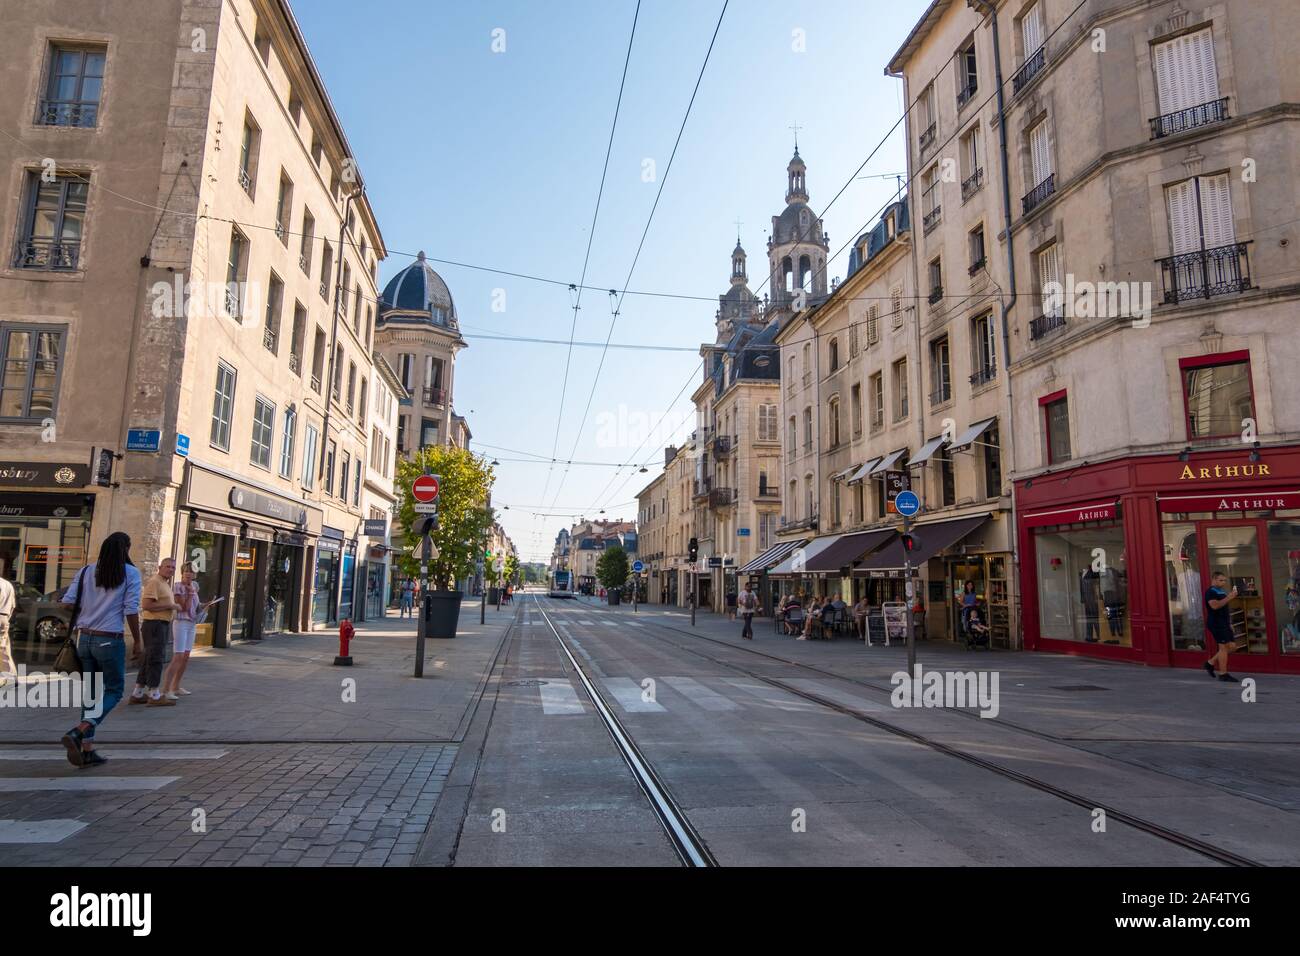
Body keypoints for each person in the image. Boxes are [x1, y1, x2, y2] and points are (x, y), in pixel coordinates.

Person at [60, 532, 143, 768]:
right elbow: (130, 609)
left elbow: (67, 602)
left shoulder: (86, 571)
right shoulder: (130, 573)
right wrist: (138, 640)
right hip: (109, 640)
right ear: (126, 549)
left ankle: (87, 750)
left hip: (84, 638)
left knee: (91, 694)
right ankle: (80, 730)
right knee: (115, 691)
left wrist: (88, 608)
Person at [162, 562, 215, 700]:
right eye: (186, 570)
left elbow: (195, 606)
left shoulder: (195, 586)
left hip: (192, 623)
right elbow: (184, 607)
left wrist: (206, 605)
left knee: (185, 657)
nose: (188, 573)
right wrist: (190, 593)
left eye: (191, 571)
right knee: (177, 657)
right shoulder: (178, 586)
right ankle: (166, 690)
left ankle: (176, 686)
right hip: (181, 623)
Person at [1203, 572, 1241, 682]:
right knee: (1223, 648)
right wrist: (1229, 597)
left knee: (1233, 647)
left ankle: (1210, 663)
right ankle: (1223, 674)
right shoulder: (1211, 592)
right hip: (1216, 623)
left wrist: (1229, 623)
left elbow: (1224, 609)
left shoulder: (1221, 591)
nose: (1223, 582)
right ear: (1214, 579)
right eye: (1221, 580)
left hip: (1224, 623)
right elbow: (1215, 606)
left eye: (1224, 580)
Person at [0, 564, 15, 687]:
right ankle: (11, 677)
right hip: (4, 617)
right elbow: (12, 606)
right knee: (4, 649)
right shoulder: (7, 584)